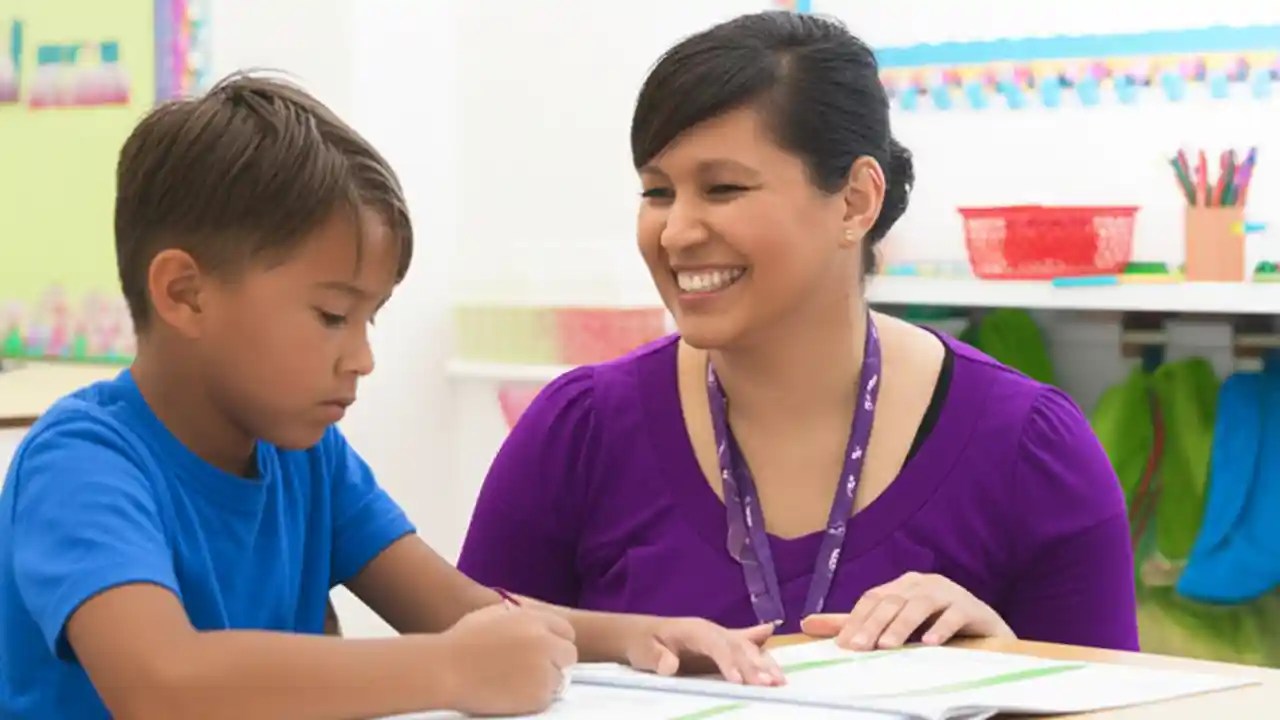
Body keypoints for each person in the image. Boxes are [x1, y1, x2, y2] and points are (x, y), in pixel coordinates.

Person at [0, 73, 785, 720]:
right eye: (332, 316)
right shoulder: (82, 464)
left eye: (369, 318)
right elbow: (162, 684)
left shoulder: (305, 458)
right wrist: (448, 669)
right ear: (185, 294)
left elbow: (464, 612)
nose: (364, 359)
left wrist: (643, 635)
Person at [458, 11, 1139, 653]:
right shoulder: (576, 436)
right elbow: (470, 681)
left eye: (723, 189)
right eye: (657, 191)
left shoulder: (1032, 452)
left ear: (855, 201)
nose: (676, 231)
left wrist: (1007, 661)